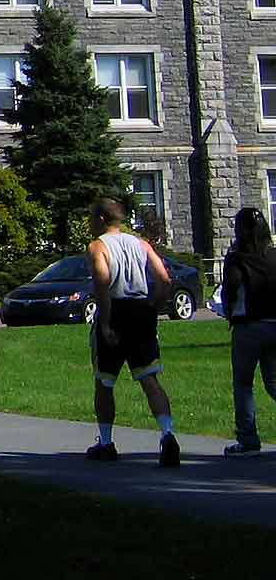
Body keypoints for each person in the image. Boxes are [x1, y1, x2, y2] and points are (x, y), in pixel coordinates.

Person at [84, 197, 179, 466]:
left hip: (116, 310)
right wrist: (154, 307)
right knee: (150, 379)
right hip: (141, 312)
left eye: (92, 217)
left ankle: (106, 442)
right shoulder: (141, 244)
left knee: (105, 381)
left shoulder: (98, 246)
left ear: (102, 219)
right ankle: (167, 434)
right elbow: (164, 278)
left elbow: (102, 282)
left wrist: (105, 322)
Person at [220, 206, 276, 456]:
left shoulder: (237, 257)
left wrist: (229, 310)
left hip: (248, 325)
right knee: (274, 382)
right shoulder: (274, 256)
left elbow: (231, 288)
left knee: (243, 384)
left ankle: (248, 439)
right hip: (274, 323)